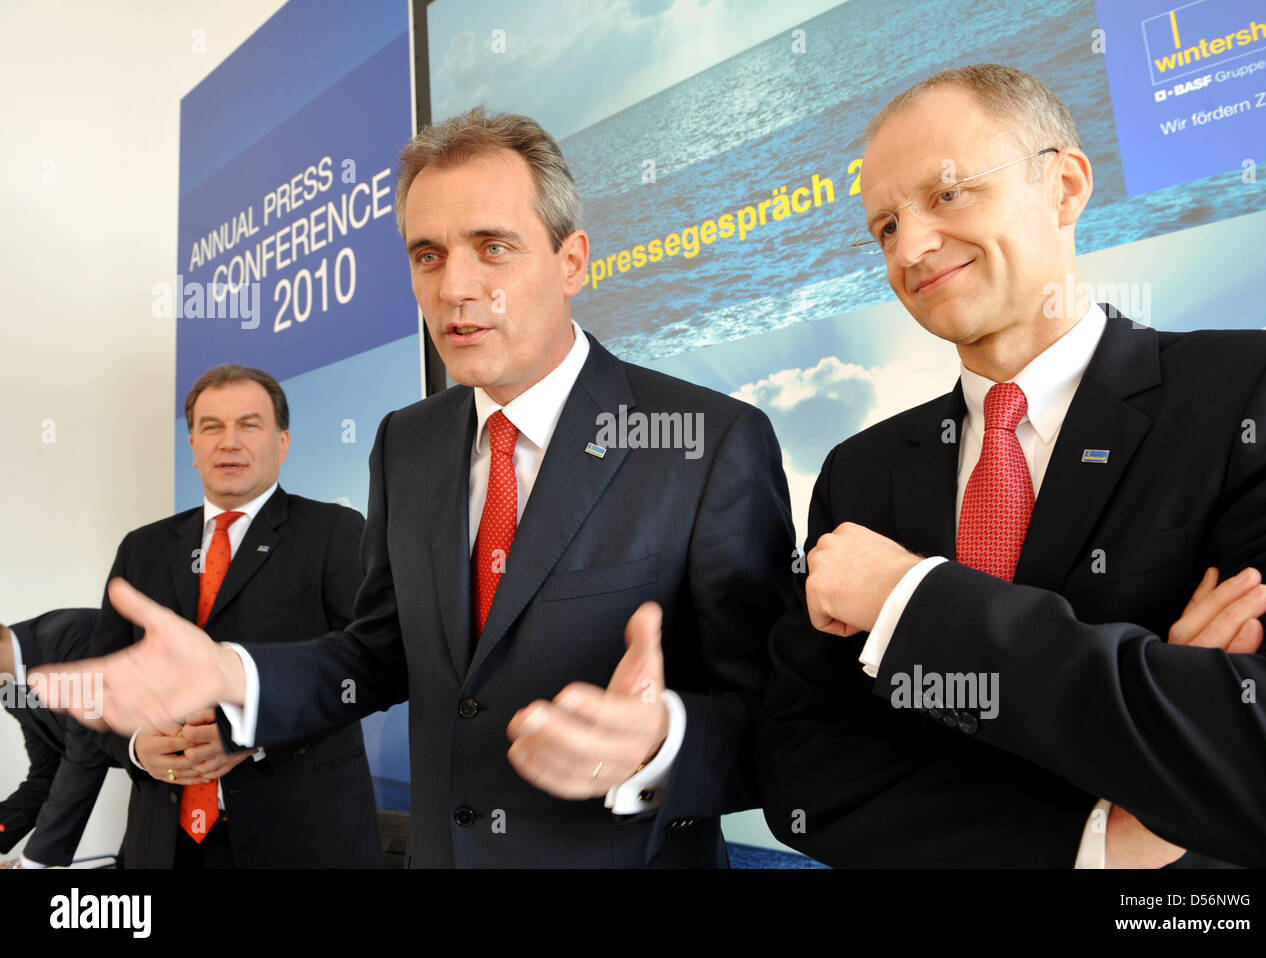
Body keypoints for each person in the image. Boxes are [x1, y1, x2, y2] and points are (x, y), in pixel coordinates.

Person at [39, 108, 795, 867]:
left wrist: (661, 741)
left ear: (572, 261)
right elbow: (377, 654)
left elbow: (781, 720)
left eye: (492, 247)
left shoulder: (709, 442)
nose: (456, 288)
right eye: (427, 255)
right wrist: (238, 675)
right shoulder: (407, 442)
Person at [756, 64, 1266, 868]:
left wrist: (911, 600)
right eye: (884, 227)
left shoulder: (1258, 394)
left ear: (1066, 185)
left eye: (946, 195)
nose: (911, 247)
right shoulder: (859, 475)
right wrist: (1105, 828)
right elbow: (803, 775)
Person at [84, 364, 382, 868]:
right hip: (163, 845)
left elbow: (369, 666)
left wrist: (250, 731)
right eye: (212, 427)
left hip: (299, 839)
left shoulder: (333, 530)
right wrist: (136, 746)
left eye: (249, 424)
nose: (229, 442)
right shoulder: (143, 548)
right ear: (193, 446)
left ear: (282, 442)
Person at [0, 610, 112, 868]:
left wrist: (31, 862)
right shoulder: (9, 688)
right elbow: (46, 775)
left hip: (199, 759)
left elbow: (87, 750)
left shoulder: (71, 637)